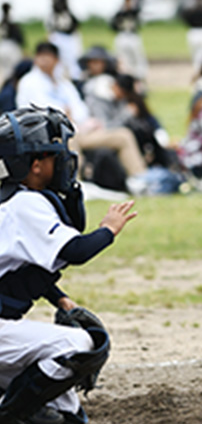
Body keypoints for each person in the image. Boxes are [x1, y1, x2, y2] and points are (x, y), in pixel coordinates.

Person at [0, 106, 136, 424]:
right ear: (35, 165)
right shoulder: (25, 204)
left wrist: (58, 298)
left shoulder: (10, 201)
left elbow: (23, 269)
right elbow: (76, 251)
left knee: (66, 415)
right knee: (82, 345)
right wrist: (109, 229)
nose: (64, 160)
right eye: (54, 154)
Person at [17, 43, 149, 189]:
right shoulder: (29, 82)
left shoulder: (63, 83)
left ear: (57, 60)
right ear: (36, 59)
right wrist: (64, 115)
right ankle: (74, 185)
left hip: (80, 129)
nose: (45, 61)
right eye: (41, 57)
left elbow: (81, 109)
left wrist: (76, 119)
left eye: (49, 57)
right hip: (50, 135)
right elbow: (36, 111)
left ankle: (141, 180)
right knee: (69, 140)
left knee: (123, 135)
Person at [46, 0, 83, 81]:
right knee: (71, 60)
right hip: (64, 28)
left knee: (61, 60)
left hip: (57, 26)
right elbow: (61, 6)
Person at [110, 0, 148, 81]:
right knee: (122, 57)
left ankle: (140, 75)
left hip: (133, 36)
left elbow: (137, 12)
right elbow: (113, 26)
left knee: (137, 56)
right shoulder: (120, 13)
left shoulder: (135, 11)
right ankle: (124, 75)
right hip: (122, 36)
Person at [0, 2, 26, 84]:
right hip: (12, 47)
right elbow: (20, 39)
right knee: (14, 70)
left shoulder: (2, 23)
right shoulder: (12, 24)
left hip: (2, 46)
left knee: (4, 70)